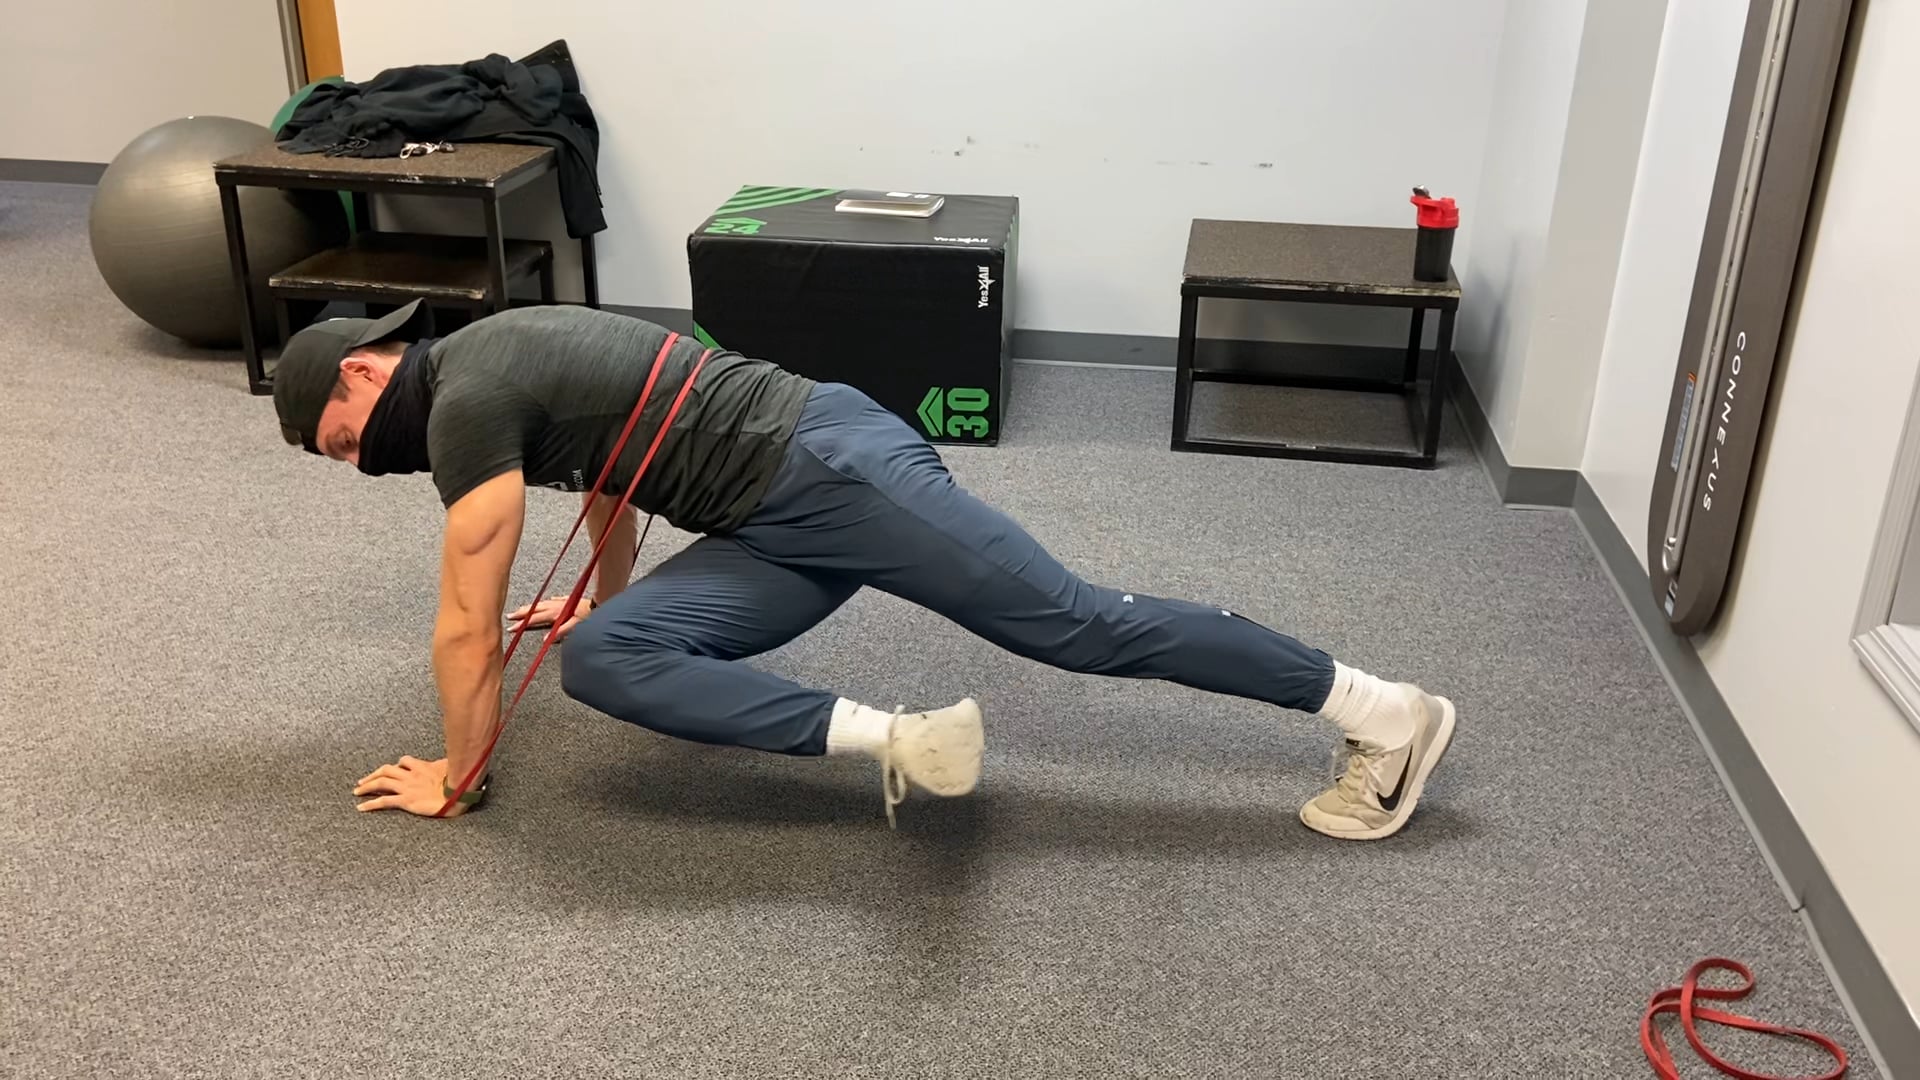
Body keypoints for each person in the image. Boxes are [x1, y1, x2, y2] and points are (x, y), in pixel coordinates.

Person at [272, 299, 1456, 839]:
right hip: (768, 521)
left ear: (368, 374)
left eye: (343, 442)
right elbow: (612, 471)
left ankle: (1386, 714)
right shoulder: (489, 359)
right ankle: (898, 743)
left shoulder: (462, 402)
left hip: (833, 470)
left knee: (1080, 626)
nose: (358, 462)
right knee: (602, 656)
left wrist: (460, 772)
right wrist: (605, 600)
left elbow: (462, 627)